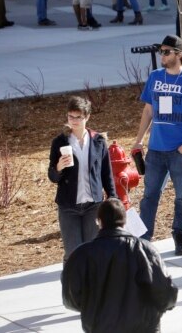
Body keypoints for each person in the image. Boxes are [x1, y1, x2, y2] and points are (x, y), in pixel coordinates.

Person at [133, 34, 182, 253]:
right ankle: (145, 239)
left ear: (180, 55)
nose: (162, 55)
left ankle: (180, 237)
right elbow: (148, 110)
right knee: (149, 196)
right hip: (156, 150)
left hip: (180, 151)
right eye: (161, 51)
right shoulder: (155, 77)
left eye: (166, 52)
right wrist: (139, 140)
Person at [61, 199, 178, 332]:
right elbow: (165, 292)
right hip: (143, 327)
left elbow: (70, 298)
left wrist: (91, 308)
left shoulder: (81, 255)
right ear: (124, 220)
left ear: (99, 221)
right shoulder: (145, 250)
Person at [48, 96, 117, 259]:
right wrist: (58, 168)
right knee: (73, 254)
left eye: (78, 117)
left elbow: (106, 173)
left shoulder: (98, 141)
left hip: (93, 205)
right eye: (70, 116)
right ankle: (71, 285)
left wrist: (113, 197)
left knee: (93, 251)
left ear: (87, 117)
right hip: (68, 206)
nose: (73, 121)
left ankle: (93, 285)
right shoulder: (59, 142)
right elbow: (52, 176)